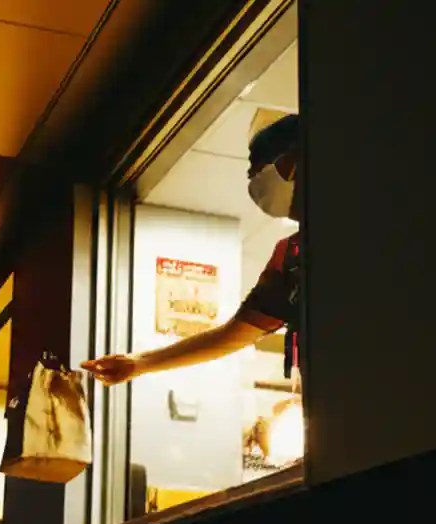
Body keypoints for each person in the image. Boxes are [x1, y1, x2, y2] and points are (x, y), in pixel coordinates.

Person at [83, 112, 303, 388]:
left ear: (293, 163)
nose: (253, 182)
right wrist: (140, 363)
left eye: (258, 171)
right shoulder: (290, 256)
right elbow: (235, 333)